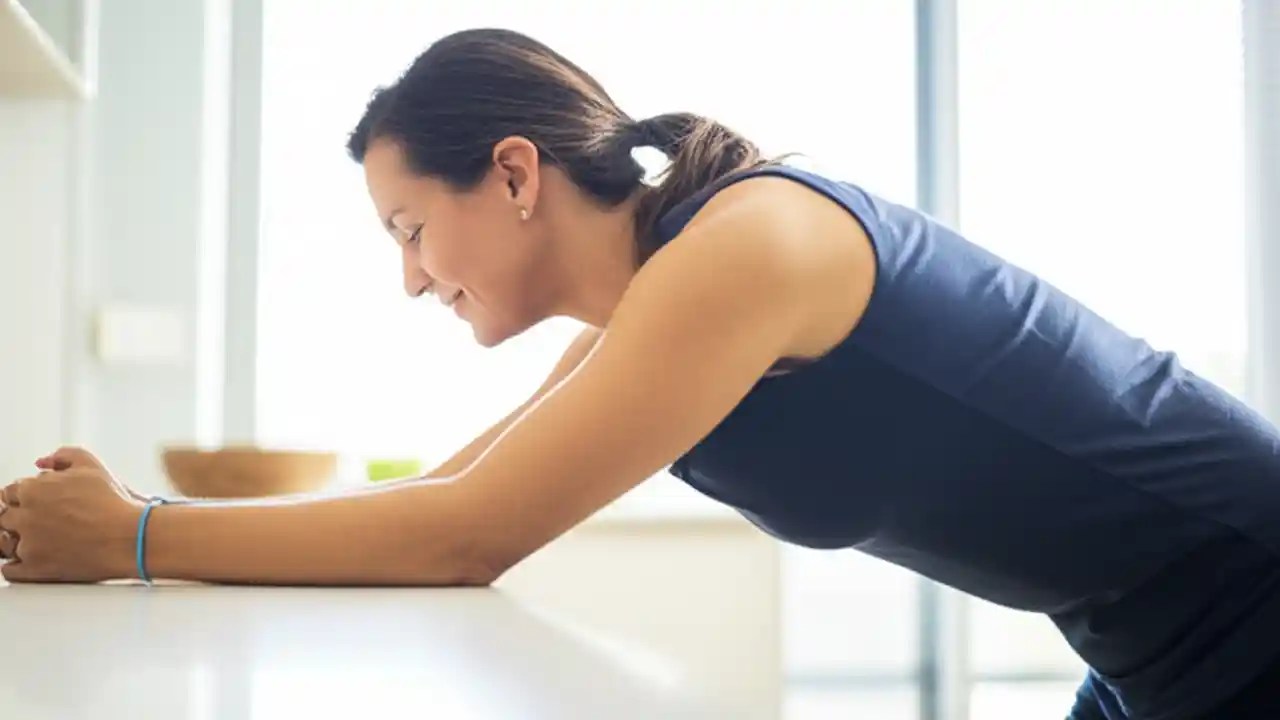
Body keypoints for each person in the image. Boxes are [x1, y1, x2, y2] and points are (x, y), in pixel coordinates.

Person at [0, 27, 1277, 719]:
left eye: (407, 231)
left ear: (511, 174)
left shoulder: (747, 248)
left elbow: (464, 537)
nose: (408, 278)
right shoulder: (652, 304)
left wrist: (136, 534)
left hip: (1252, 600)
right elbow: (456, 486)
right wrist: (141, 533)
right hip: (1140, 652)